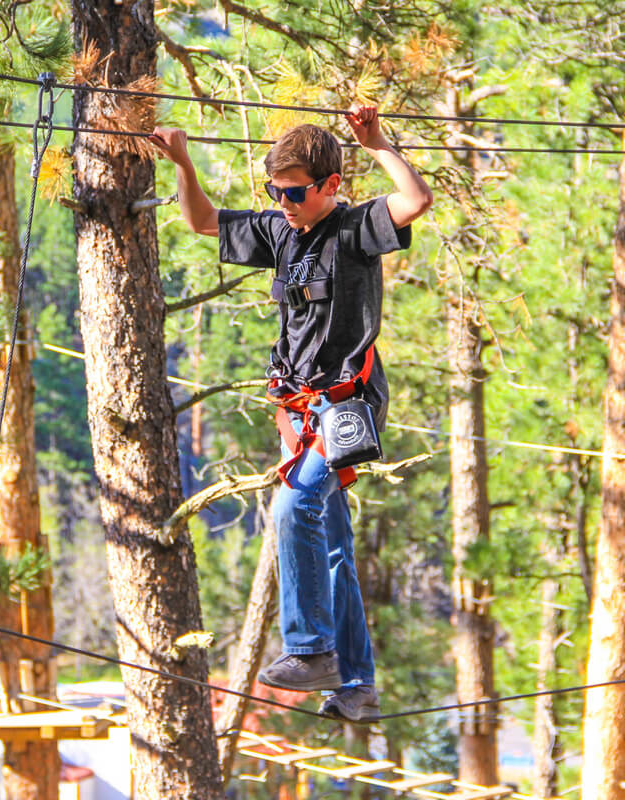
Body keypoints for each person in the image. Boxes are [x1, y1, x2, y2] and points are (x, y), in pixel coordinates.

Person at [149, 106, 432, 721]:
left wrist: (378, 143)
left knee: (293, 505)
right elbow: (200, 220)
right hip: (298, 410)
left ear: (330, 185)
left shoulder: (357, 228)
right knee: (330, 546)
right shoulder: (281, 231)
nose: (283, 202)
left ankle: (309, 650)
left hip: (346, 402)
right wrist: (183, 163)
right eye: (275, 191)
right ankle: (354, 683)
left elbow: (414, 199)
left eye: (295, 192)